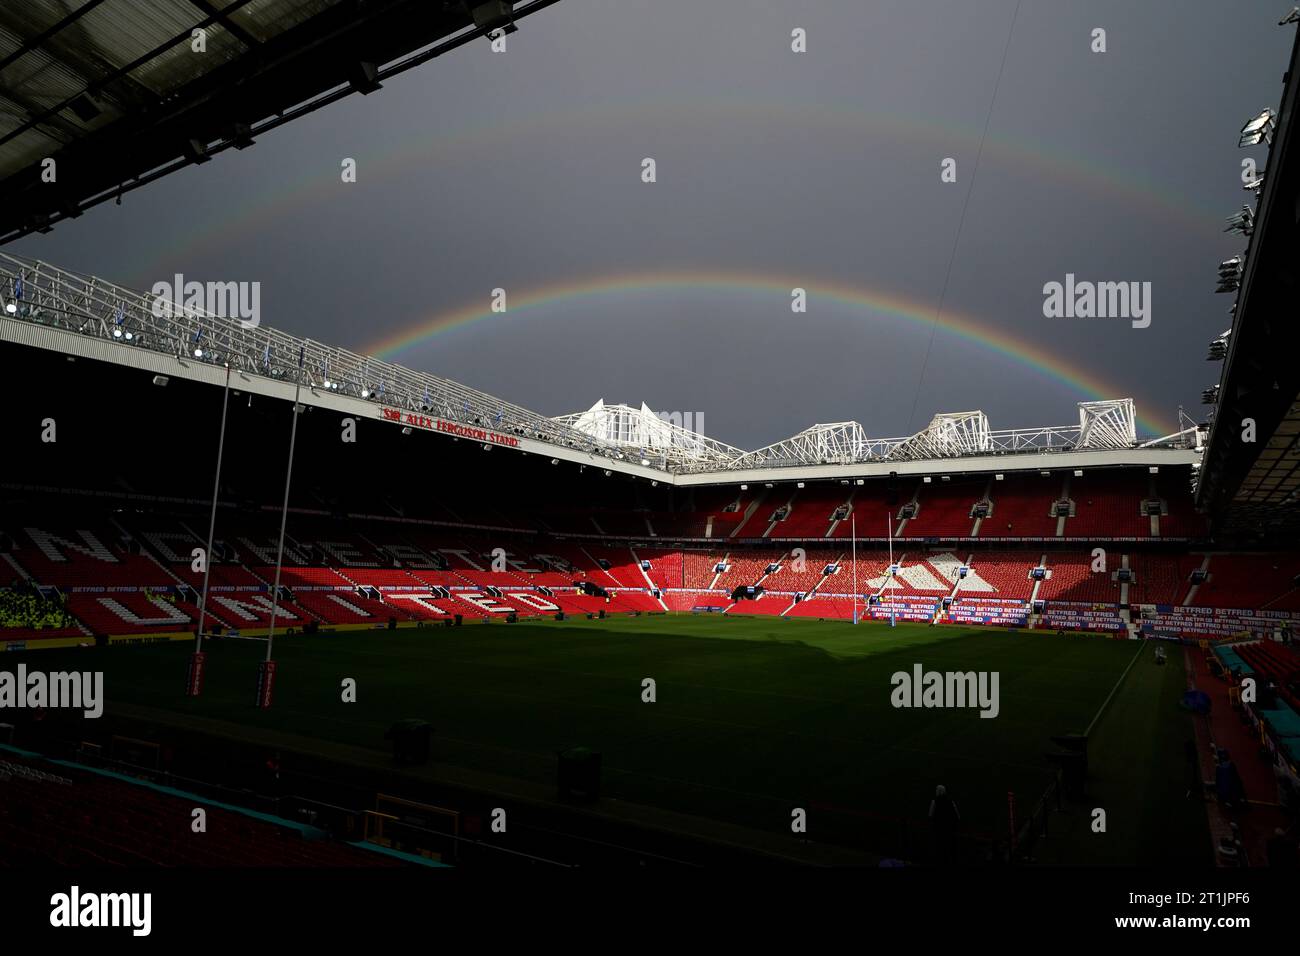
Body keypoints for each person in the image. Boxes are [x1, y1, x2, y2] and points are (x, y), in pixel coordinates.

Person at [929, 784, 961, 864]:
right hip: (950, 829)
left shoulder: (935, 801)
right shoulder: (950, 801)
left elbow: (930, 815)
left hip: (939, 829)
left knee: (940, 849)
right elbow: (957, 815)